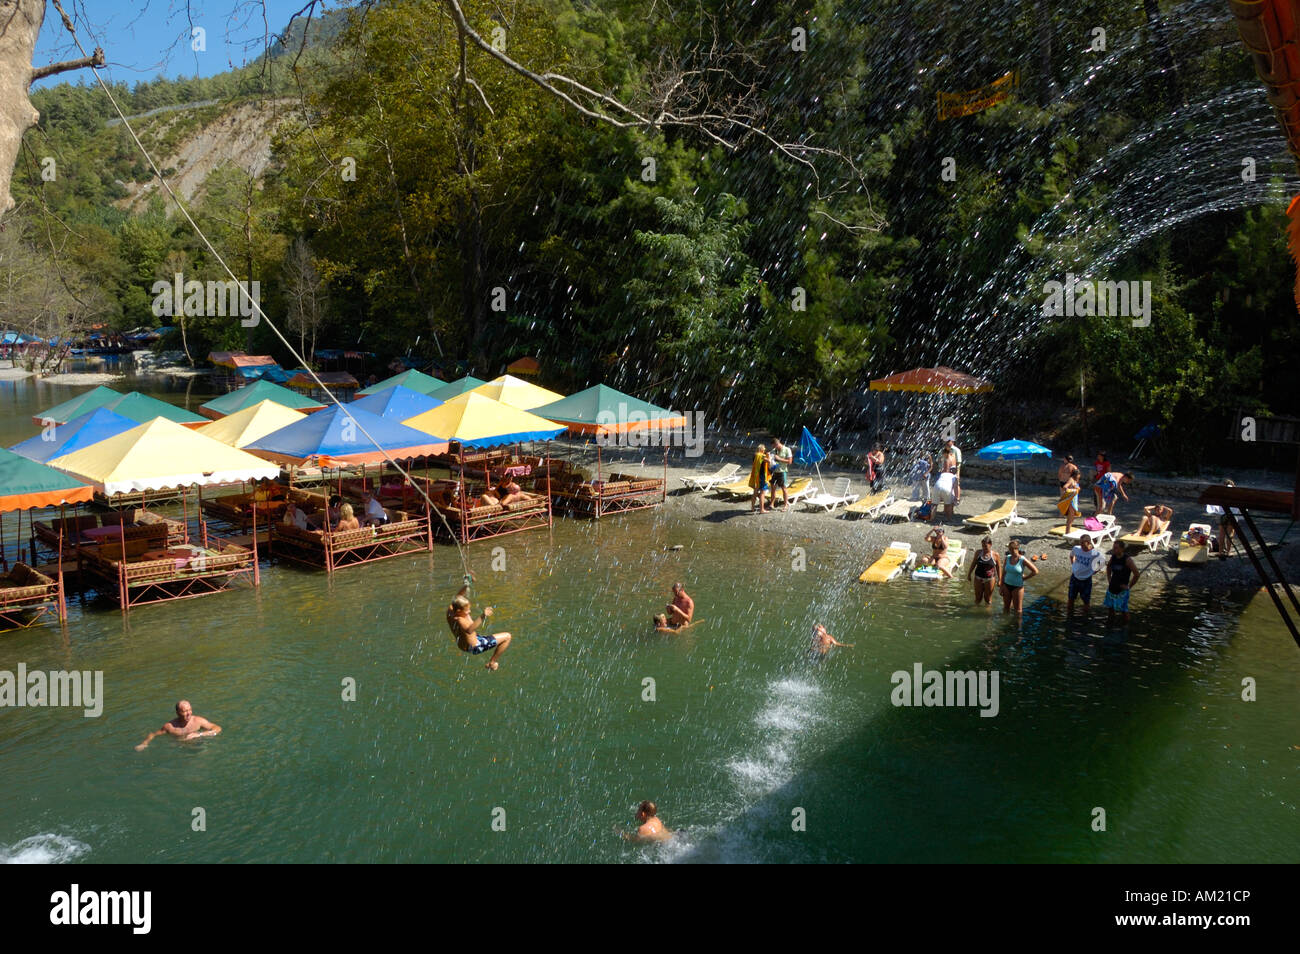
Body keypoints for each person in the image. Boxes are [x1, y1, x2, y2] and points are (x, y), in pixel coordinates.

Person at [446, 580, 512, 670]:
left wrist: (466, 585)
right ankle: (491, 663)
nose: (469, 611)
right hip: (476, 646)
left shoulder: (451, 610)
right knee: (507, 636)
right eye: (467, 610)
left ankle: (490, 661)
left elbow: (458, 597)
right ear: (458, 611)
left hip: (464, 644)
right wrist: (483, 615)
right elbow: (469, 630)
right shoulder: (460, 619)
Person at [135, 700, 221, 751]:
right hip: (180, 748)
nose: (188, 714)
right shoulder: (170, 727)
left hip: (199, 746)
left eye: (190, 710)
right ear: (178, 713)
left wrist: (199, 734)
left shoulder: (198, 721)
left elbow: (217, 728)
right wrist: (144, 743)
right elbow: (153, 734)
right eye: (185, 711)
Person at [1104, 541, 1141, 626]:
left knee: (1124, 611)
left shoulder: (1127, 559)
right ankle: (1110, 626)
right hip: (1112, 587)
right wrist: (1109, 579)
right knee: (1110, 609)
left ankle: (1125, 628)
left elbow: (1137, 574)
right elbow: (1108, 567)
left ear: (1122, 549)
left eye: (1116, 548)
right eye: (1113, 547)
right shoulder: (1113, 557)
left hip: (1122, 590)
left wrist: (1129, 586)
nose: (1114, 549)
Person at [1068, 534, 1102, 616]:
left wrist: (1094, 571)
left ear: (1088, 543)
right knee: (1071, 598)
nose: (1082, 546)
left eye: (1083, 544)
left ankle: (1085, 618)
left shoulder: (1093, 552)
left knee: (1086, 601)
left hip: (1086, 580)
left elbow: (1102, 562)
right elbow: (1071, 555)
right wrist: (1073, 565)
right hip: (1074, 578)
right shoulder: (1076, 548)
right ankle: (1069, 616)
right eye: (1081, 543)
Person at [1001, 539, 1038, 614]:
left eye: (1012, 549)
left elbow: (1035, 571)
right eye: (1009, 549)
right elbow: (1004, 572)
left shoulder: (1022, 559)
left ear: (1017, 548)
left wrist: (1025, 578)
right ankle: (1005, 621)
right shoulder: (1007, 558)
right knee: (1006, 608)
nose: (1010, 551)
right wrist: (1001, 586)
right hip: (1006, 585)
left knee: (1018, 610)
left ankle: (1018, 625)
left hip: (1017, 587)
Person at [967, 535, 1001, 606]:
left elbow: (998, 567)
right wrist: (969, 574)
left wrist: (1000, 579)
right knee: (977, 598)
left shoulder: (995, 555)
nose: (984, 548)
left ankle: (987, 615)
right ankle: (975, 613)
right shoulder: (978, 553)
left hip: (990, 579)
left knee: (988, 599)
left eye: (985, 546)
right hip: (978, 577)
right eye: (982, 546)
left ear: (990, 544)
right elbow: (974, 563)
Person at [767, 437, 794, 511]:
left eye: (774, 446)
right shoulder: (773, 450)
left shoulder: (787, 450)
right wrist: (767, 457)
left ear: (777, 444)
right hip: (774, 472)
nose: (773, 448)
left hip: (782, 471)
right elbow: (770, 460)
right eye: (773, 447)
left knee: (784, 489)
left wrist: (779, 459)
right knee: (773, 488)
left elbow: (790, 462)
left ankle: (785, 505)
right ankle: (772, 504)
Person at [747, 444, 771, 514]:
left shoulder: (754, 455)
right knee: (762, 493)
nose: (764, 451)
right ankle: (762, 509)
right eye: (764, 450)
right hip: (762, 476)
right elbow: (769, 461)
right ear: (761, 449)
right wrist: (768, 455)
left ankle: (752, 508)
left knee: (755, 491)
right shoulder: (761, 456)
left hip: (756, 475)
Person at [943, 438, 963, 503]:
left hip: (953, 471)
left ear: (952, 442)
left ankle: (957, 498)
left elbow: (958, 463)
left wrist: (957, 473)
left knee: (956, 484)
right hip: (945, 471)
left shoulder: (956, 450)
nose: (947, 442)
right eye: (946, 441)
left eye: (949, 441)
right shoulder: (944, 450)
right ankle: (948, 501)